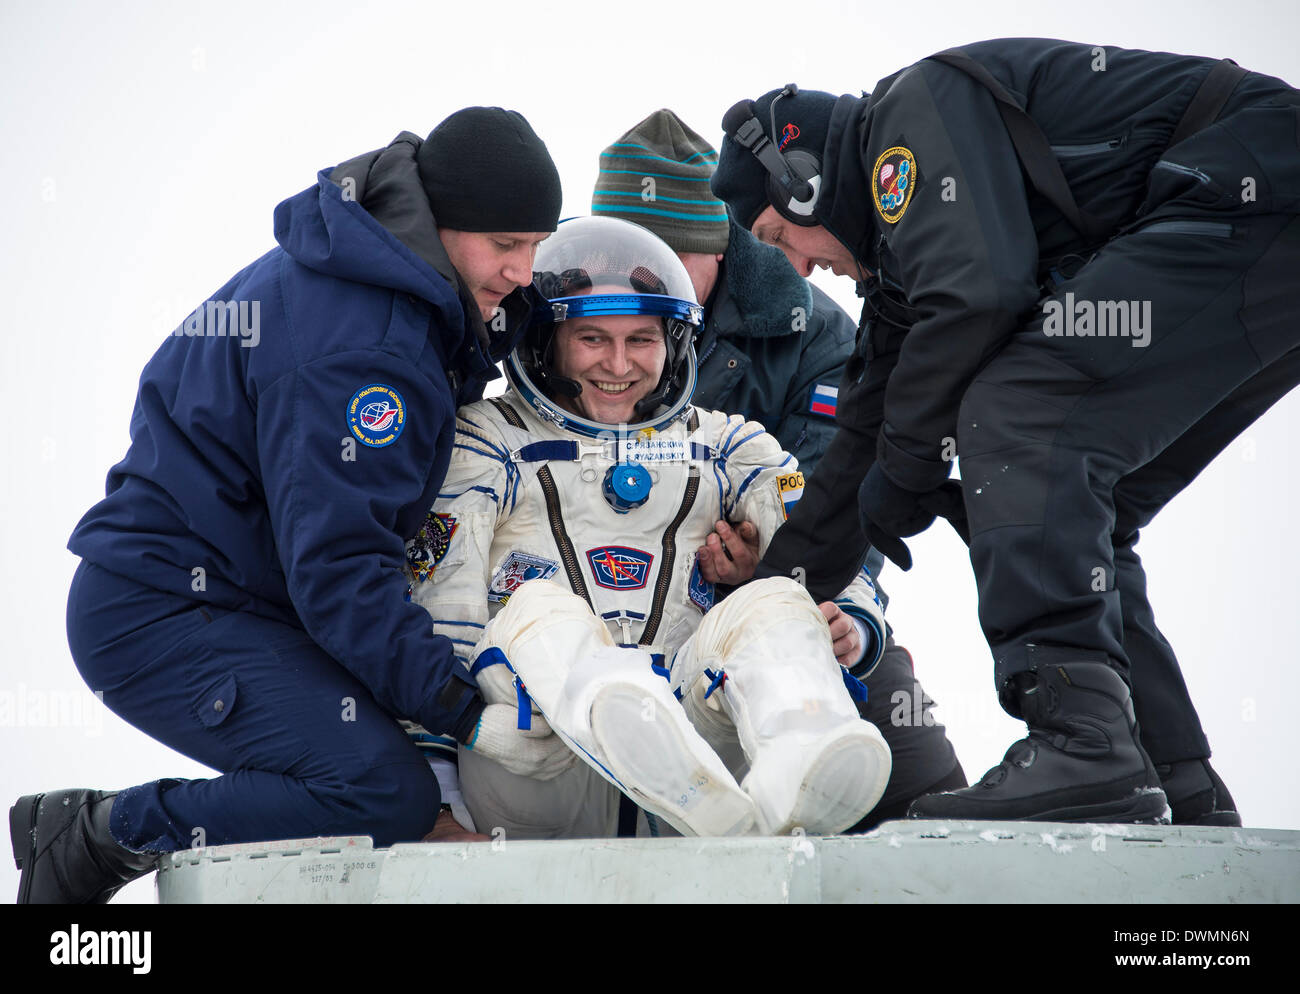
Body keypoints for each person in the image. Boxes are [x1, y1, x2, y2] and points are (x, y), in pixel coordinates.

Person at [710, 40, 1300, 824]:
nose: (803, 270)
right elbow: (864, 434)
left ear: (806, 184)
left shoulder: (907, 122)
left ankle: (1083, 745)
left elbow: (981, 298)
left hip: (1251, 189)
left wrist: (915, 467)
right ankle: (1169, 775)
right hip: (1256, 227)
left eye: (782, 237)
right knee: (1088, 495)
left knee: (1018, 413)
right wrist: (773, 599)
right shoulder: (902, 272)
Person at [10, 107, 563, 904]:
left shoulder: (392, 281)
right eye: (505, 246)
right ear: (439, 221)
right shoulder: (367, 351)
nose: (521, 269)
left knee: (395, 773)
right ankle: (99, 833)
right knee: (381, 792)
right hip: (159, 613)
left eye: (536, 247)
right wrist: (459, 709)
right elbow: (340, 566)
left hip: (244, 599)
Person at [403, 215, 962, 839]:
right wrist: (440, 799)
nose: (619, 364)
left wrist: (851, 625)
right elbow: (438, 618)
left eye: (642, 339)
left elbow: (825, 539)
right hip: (538, 762)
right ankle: (615, 705)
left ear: (675, 343)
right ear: (546, 340)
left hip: (701, 772)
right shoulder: (489, 440)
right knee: (536, 611)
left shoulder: (726, 445)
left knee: (774, 600)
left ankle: (801, 762)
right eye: (592, 338)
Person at [590, 109, 966, 823]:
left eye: (669, 258)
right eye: (625, 256)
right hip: (598, 594)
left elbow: (829, 491)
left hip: (772, 597)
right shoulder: (559, 317)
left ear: (718, 247)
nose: (644, 280)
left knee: (916, 770)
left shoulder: (817, 334)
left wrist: (807, 589)